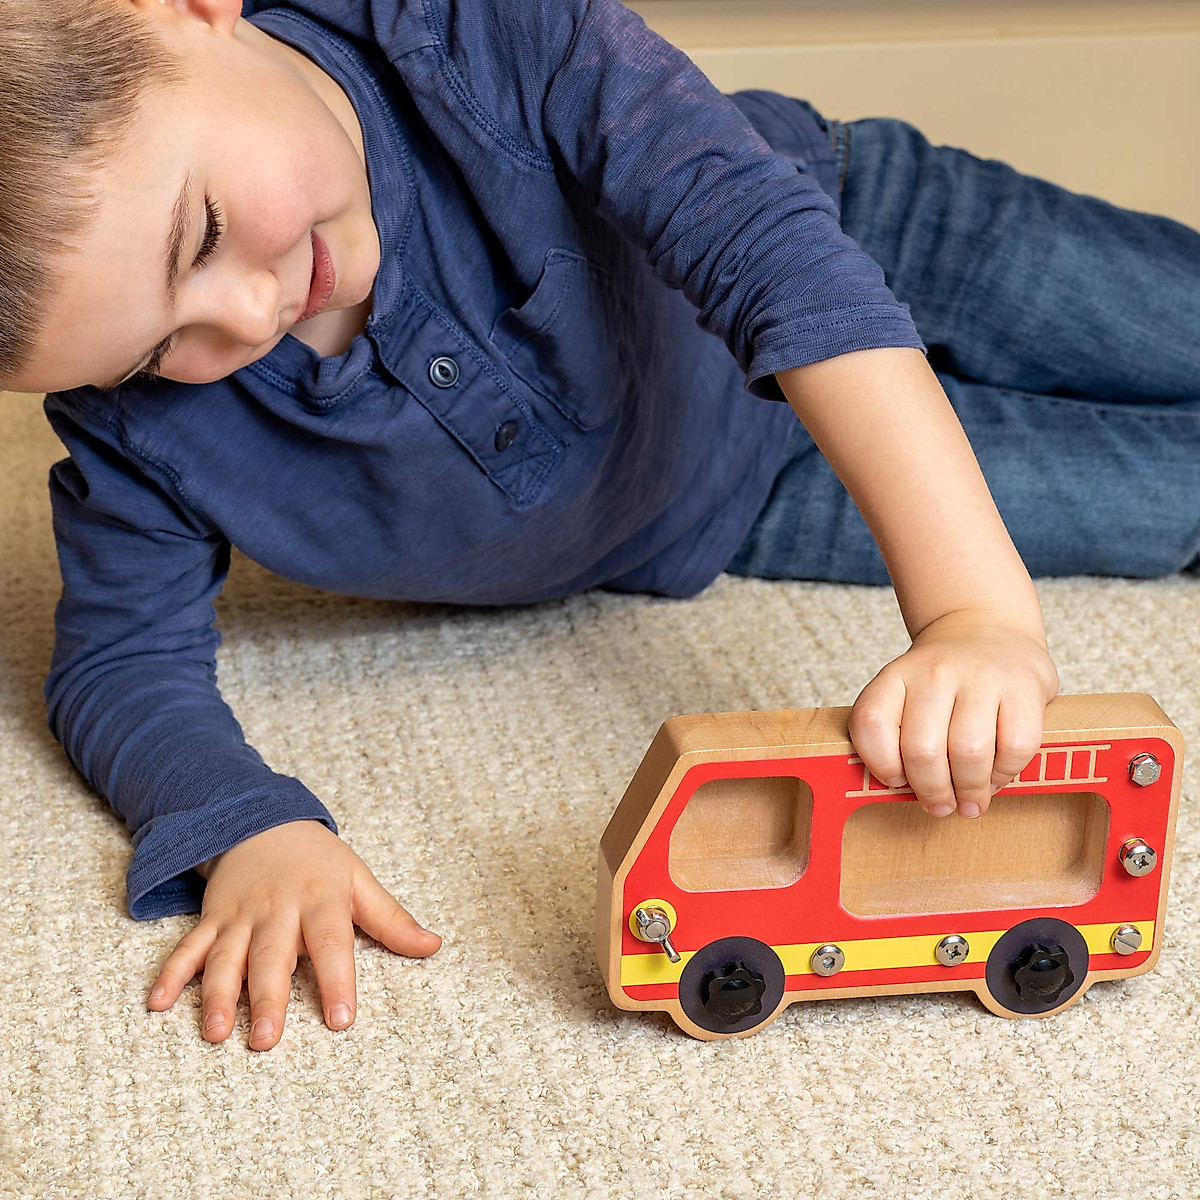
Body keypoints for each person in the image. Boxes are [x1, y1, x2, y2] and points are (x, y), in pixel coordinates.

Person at [3, 0, 1196, 1054]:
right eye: (157, 350)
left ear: (192, 8)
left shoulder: (469, 33)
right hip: (743, 498)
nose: (245, 317)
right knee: (1167, 504)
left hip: (880, 228)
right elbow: (119, 661)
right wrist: (245, 825)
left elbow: (782, 265)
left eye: (202, 234)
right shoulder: (138, 425)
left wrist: (975, 618)